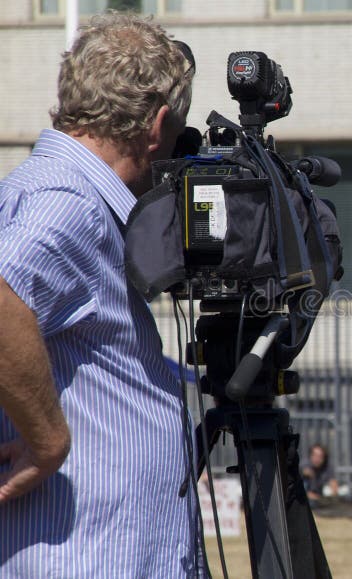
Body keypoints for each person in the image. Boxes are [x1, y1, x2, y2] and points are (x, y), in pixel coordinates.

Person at [0, 13, 203, 576]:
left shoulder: (46, 192)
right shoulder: (68, 201)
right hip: (87, 553)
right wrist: (48, 443)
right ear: (158, 125)